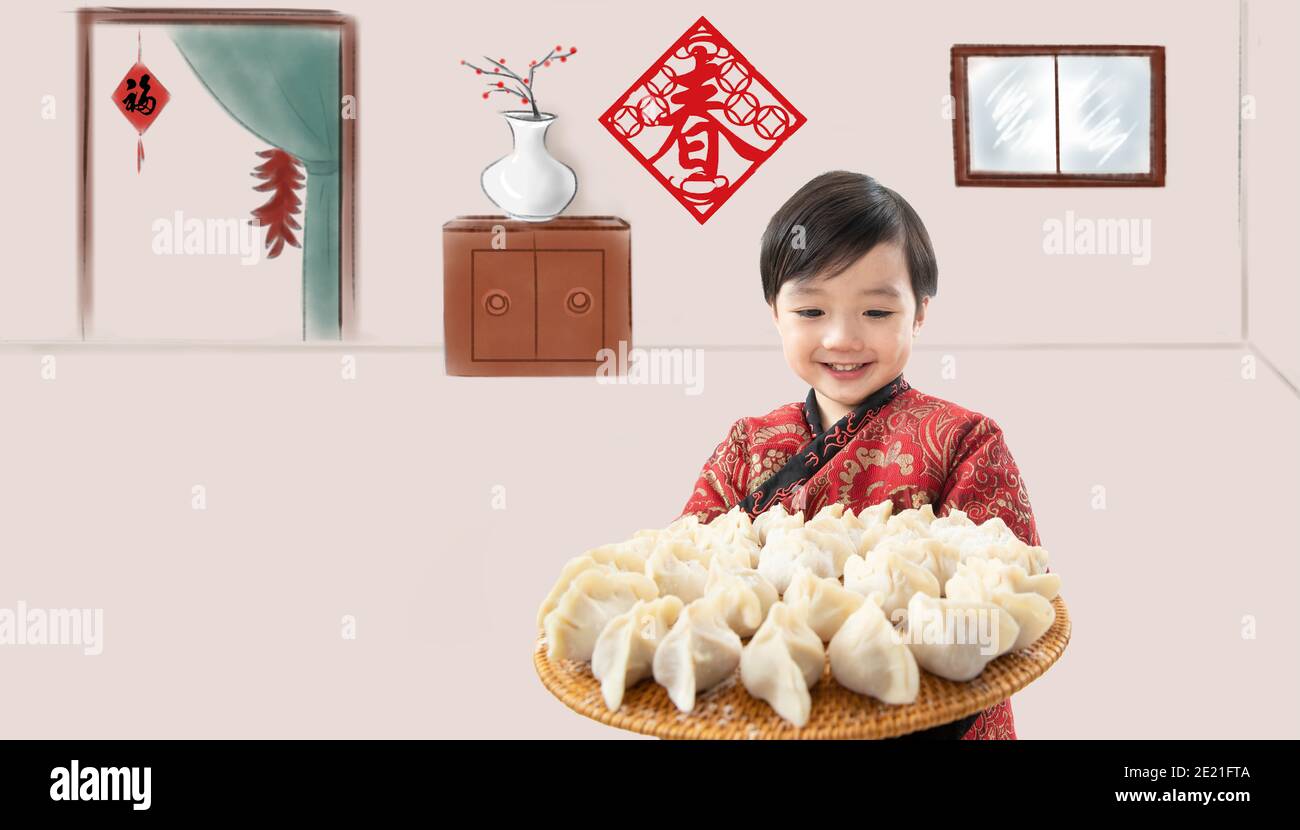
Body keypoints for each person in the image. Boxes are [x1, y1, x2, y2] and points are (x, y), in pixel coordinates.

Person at [677, 170, 1041, 740]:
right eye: (811, 311)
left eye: (876, 313)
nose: (843, 337)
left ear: (919, 313)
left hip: (939, 721)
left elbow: (1008, 606)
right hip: (772, 719)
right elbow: (688, 575)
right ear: (775, 311)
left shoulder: (964, 439)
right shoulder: (747, 442)